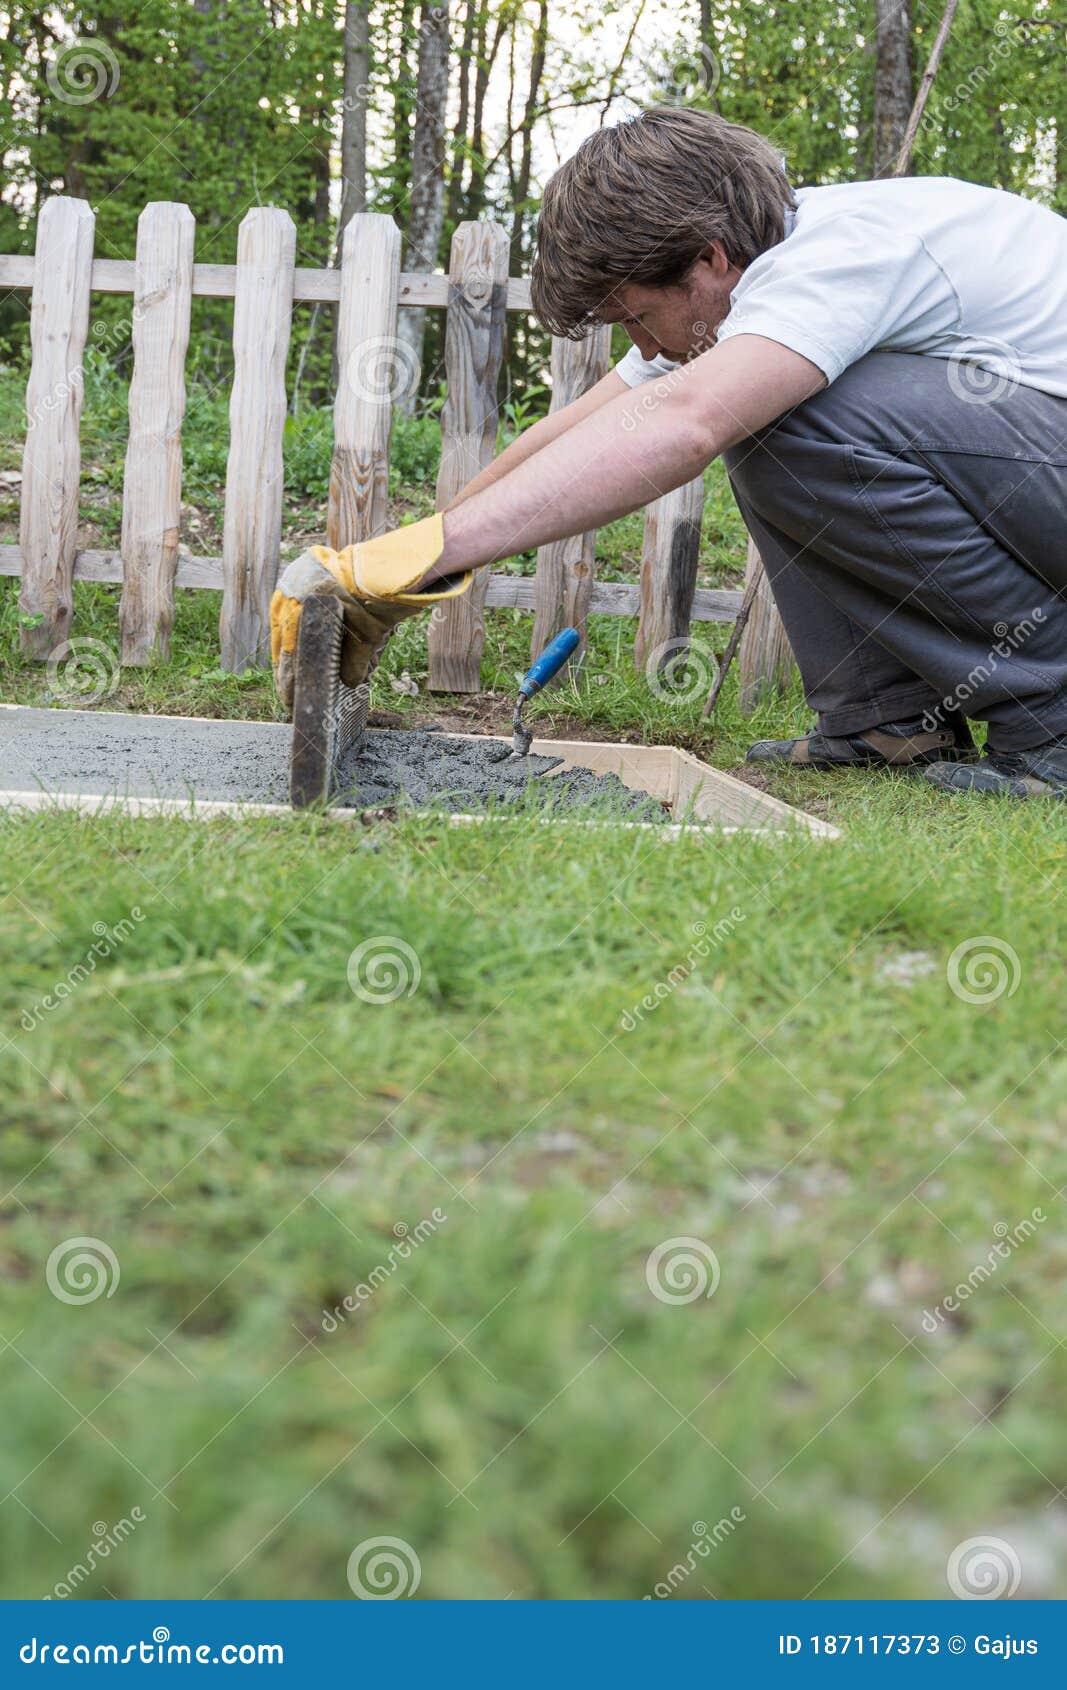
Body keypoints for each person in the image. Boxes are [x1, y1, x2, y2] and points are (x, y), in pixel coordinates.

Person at [272, 106, 1067, 800]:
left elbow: (683, 424)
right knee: (774, 410)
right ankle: (887, 725)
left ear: (709, 258)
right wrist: (411, 561)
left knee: (793, 419)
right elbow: (577, 431)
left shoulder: (840, 258)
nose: (643, 344)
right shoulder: (741, 287)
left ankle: (1053, 723)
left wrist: (431, 554)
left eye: (638, 316)